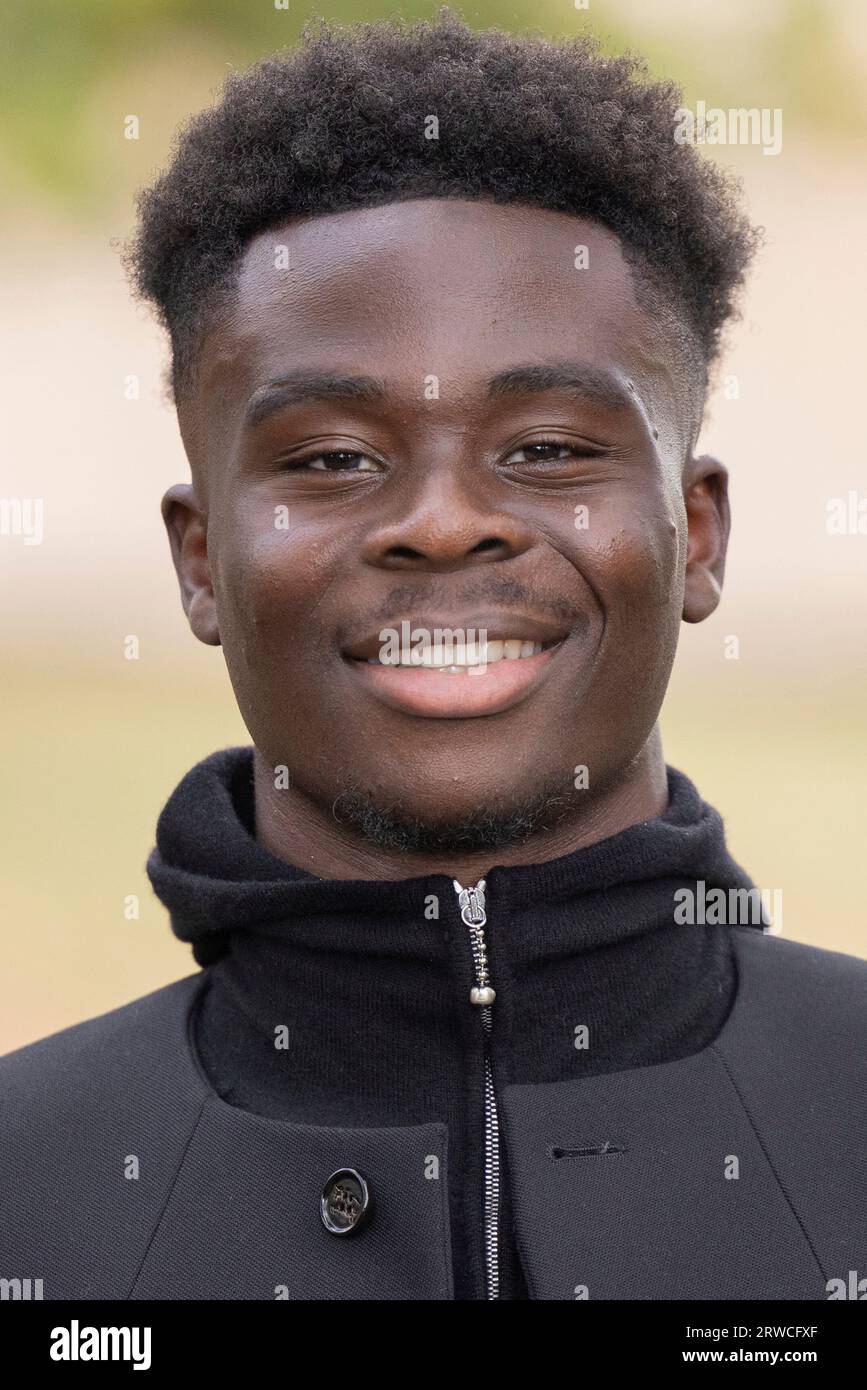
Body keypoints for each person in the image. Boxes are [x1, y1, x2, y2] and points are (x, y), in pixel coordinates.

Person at [2, 12, 864, 1302]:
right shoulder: (32, 1188)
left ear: (693, 534)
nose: (444, 522)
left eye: (551, 448)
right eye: (333, 459)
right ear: (199, 563)